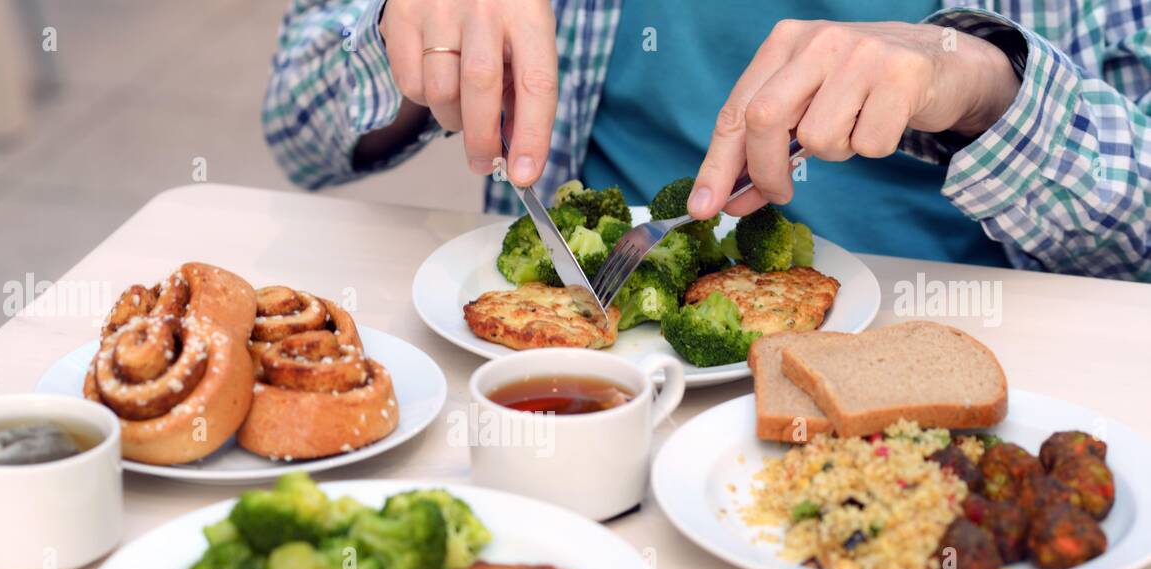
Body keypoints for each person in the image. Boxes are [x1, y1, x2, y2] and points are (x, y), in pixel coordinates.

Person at [263, 1, 1150, 281]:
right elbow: (297, 128)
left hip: (962, 371)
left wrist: (992, 89)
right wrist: (405, 35)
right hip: (590, 391)